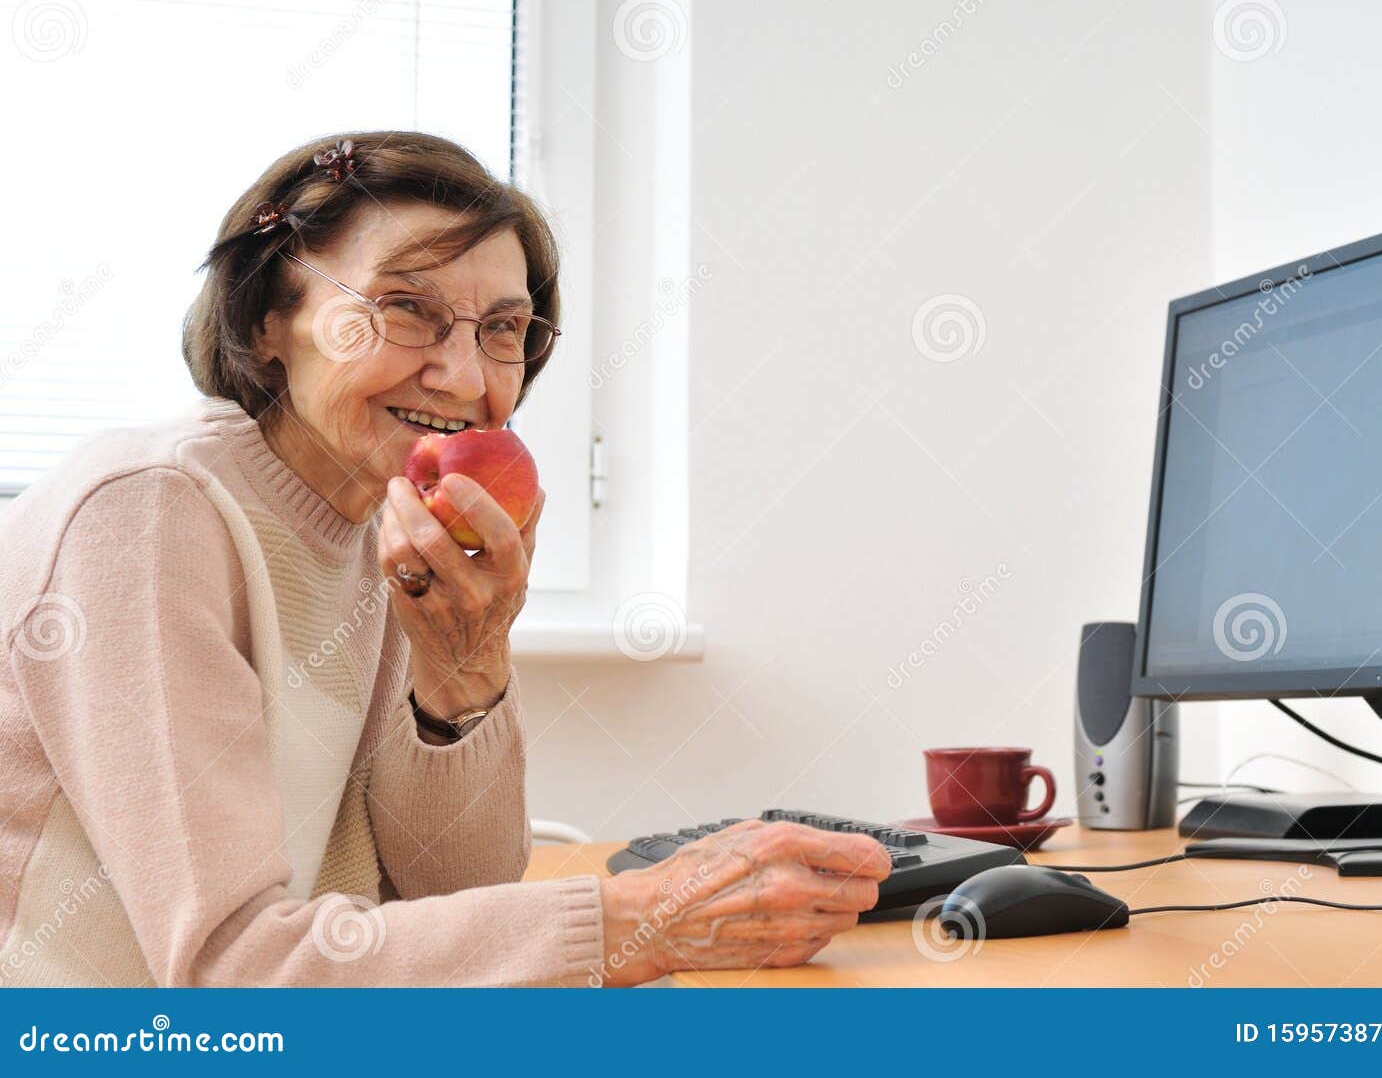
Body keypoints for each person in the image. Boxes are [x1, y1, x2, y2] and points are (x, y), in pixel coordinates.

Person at [0, 131, 889, 987]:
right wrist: (633, 923)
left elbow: (456, 902)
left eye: (503, 328)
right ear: (270, 318)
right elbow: (229, 971)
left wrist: (465, 667)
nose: (466, 377)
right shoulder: (145, 514)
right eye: (408, 311)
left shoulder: (387, 524)